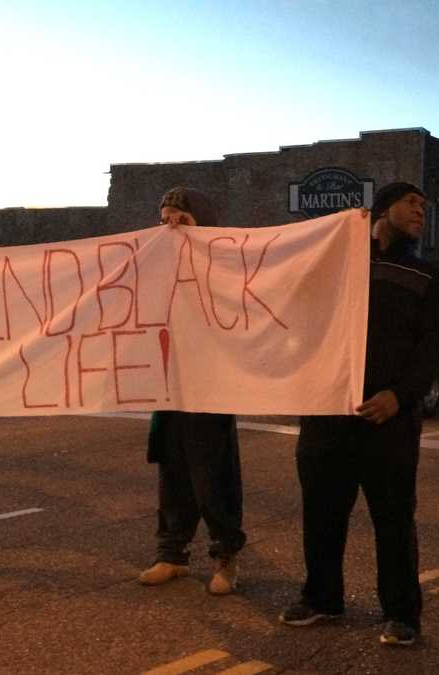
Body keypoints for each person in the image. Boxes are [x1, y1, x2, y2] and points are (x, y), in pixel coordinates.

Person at [279, 182, 439, 647]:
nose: (421, 210)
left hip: (389, 423)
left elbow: (434, 346)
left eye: (424, 204)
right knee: (321, 513)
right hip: (326, 415)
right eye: (411, 203)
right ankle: (321, 598)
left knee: (393, 519)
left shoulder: (426, 276)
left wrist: (401, 395)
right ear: (382, 210)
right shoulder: (334, 266)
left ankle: (402, 615)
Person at [138, 187, 247, 595]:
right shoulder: (153, 268)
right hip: (170, 388)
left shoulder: (224, 269)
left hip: (210, 389)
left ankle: (225, 557)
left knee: (213, 476)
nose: (170, 228)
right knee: (173, 474)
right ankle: (171, 553)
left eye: (181, 220)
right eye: (164, 219)